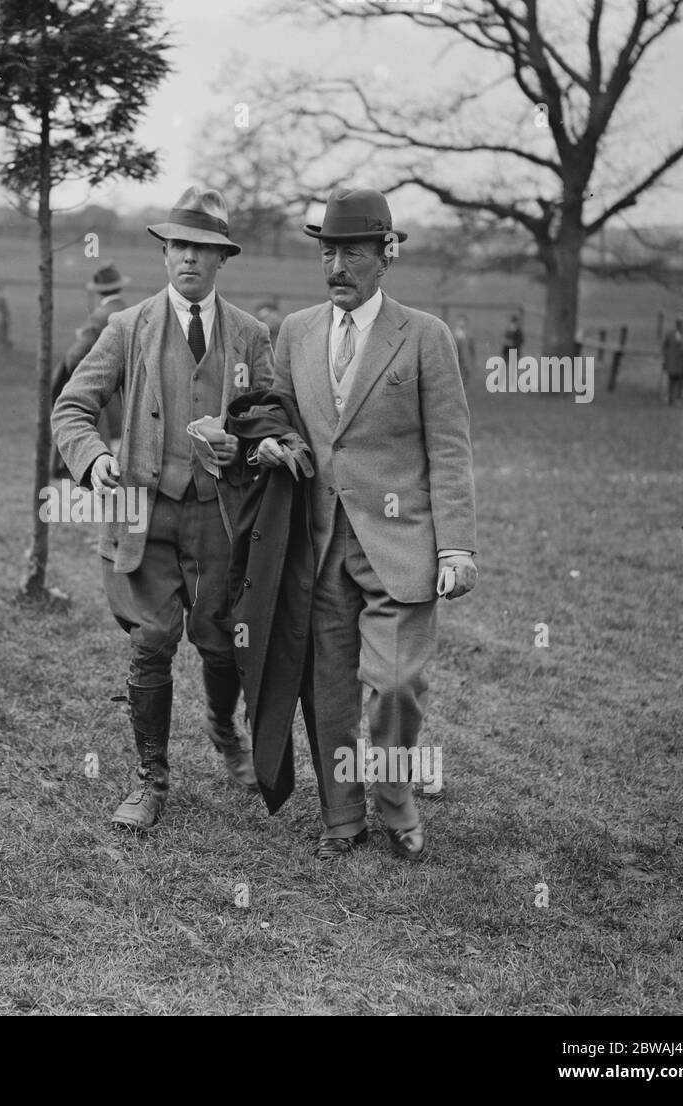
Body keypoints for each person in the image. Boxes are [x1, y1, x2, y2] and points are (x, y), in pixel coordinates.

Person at [255, 187, 477, 862]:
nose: (336, 268)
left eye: (351, 253)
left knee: (398, 685)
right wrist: (274, 442)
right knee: (328, 692)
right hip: (319, 547)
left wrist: (457, 546)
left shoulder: (426, 337)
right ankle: (341, 818)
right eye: (327, 253)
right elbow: (277, 412)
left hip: (401, 548)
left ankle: (398, 800)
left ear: (386, 255)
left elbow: (450, 447)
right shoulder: (294, 332)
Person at [52, 185, 274, 830]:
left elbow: (272, 418)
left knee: (222, 642)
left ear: (221, 259)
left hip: (220, 516)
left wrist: (248, 444)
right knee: (152, 641)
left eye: (204, 250)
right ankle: (150, 780)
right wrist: (94, 460)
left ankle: (224, 730)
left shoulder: (252, 335)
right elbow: (72, 407)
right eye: (179, 245)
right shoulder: (128, 327)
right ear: (165, 252)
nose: (189, 260)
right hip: (143, 512)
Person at [50, 261, 131, 476]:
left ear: (98, 291)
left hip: (107, 390)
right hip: (128, 390)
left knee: (102, 441)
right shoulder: (129, 310)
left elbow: (73, 357)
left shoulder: (99, 316)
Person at [662, 316, 683, 405]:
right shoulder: (670, 334)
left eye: (681, 323)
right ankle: (670, 397)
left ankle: (679, 398)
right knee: (671, 379)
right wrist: (666, 356)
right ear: (676, 324)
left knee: (681, 380)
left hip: (682, 362)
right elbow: (664, 346)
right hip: (672, 361)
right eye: (678, 323)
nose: (679, 325)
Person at [452, 314, 476, 389]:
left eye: (463, 321)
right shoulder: (452, 333)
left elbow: (471, 349)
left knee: (465, 374)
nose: (461, 323)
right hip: (454, 358)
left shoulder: (468, 335)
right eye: (460, 321)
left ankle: (463, 389)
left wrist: (472, 359)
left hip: (464, 359)